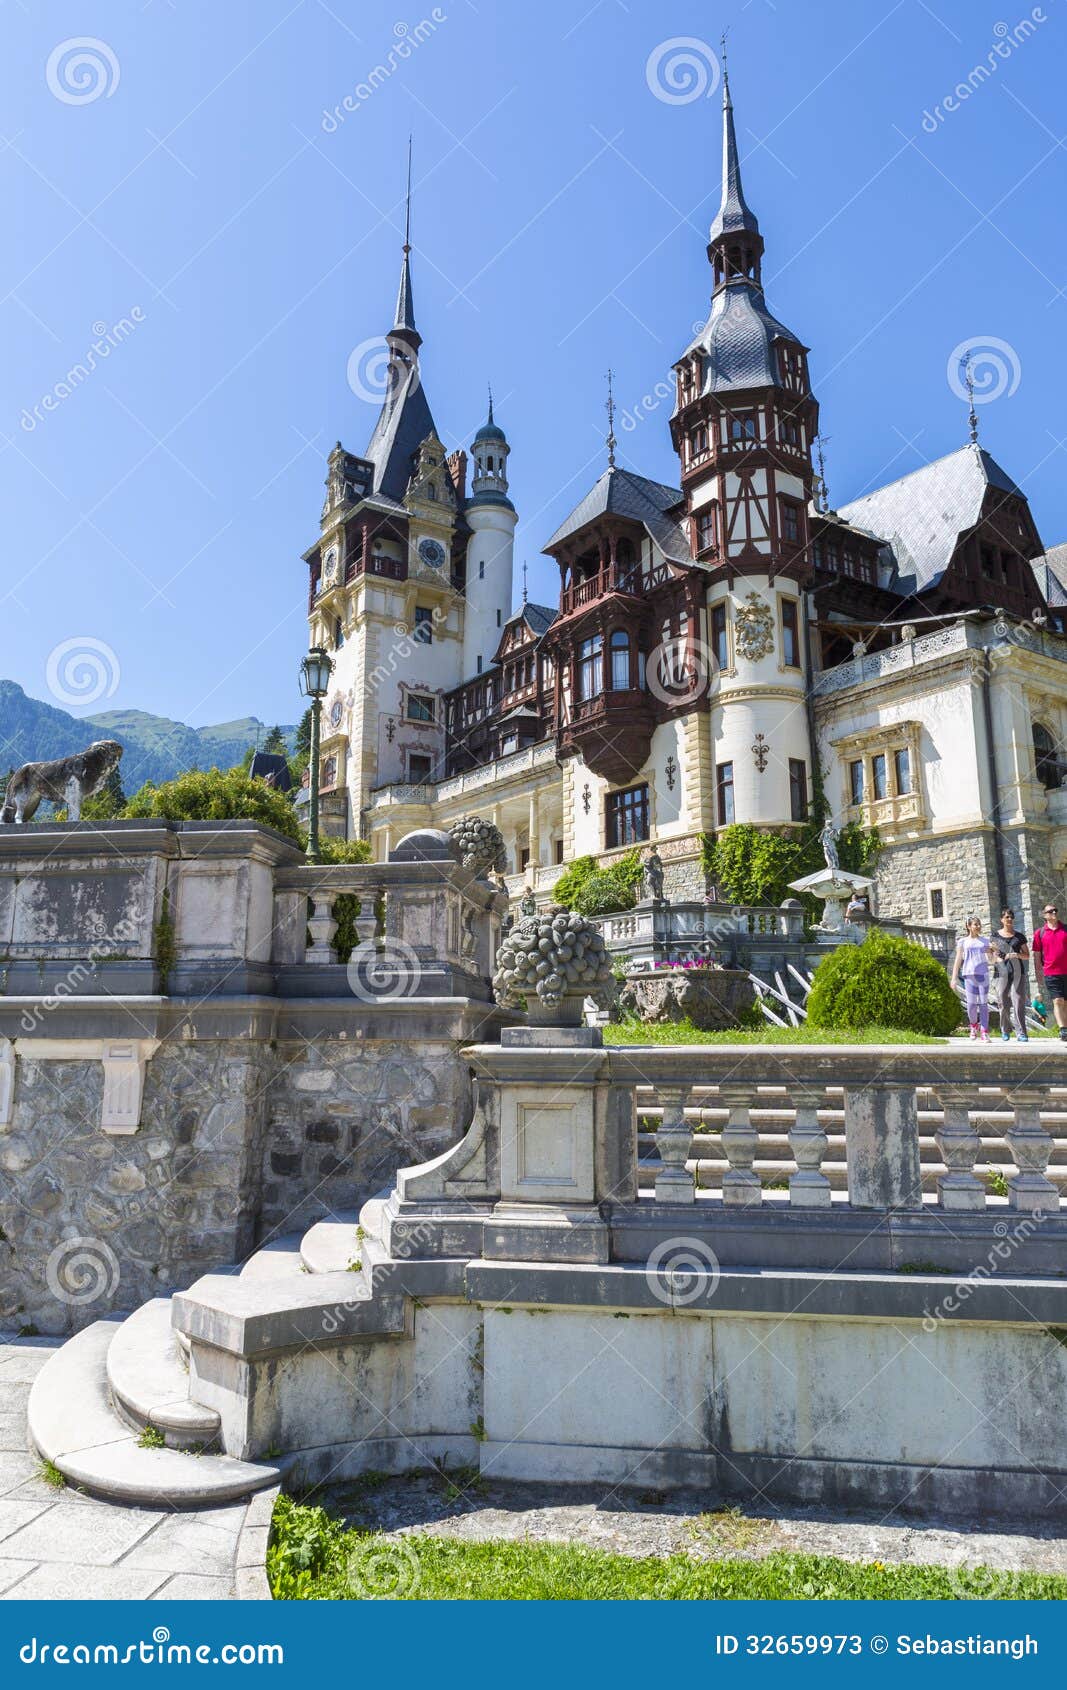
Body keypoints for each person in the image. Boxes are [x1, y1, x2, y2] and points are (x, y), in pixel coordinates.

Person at [989, 908, 1030, 1042]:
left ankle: (1021, 1033)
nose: (1009, 919)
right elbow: (992, 956)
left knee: (1018, 1002)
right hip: (1001, 974)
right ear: (1002, 919)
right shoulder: (995, 936)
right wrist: (998, 959)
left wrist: (1015, 954)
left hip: (1018, 974)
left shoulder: (1019, 936)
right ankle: (1005, 1030)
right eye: (1007, 917)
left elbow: (1027, 955)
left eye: (1011, 917)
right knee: (1003, 1003)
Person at [950, 916, 991, 1042]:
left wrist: (994, 951)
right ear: (969, 926)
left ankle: (984, 1031)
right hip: (969, 975)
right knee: (971, 1004)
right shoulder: (963, 941)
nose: (978, 926)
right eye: (975, 924)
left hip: (983, 975)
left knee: (983, 1004)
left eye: (979, 924)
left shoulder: (985, 941)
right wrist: (954, 978)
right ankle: (974, 1025)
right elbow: (958, 959)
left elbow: (991, 959)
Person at [1032, 901, 1067, 1044]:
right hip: (1051, 972)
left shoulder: (1065, 929)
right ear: (1044, 915)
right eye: (1050, 911)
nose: (1054, 913)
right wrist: (1038, 972)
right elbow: (1037, 955)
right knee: (1058, 1001)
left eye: (1055, 910)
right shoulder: (1039, 933)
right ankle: (1063, 1029)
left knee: (1066, 1003)